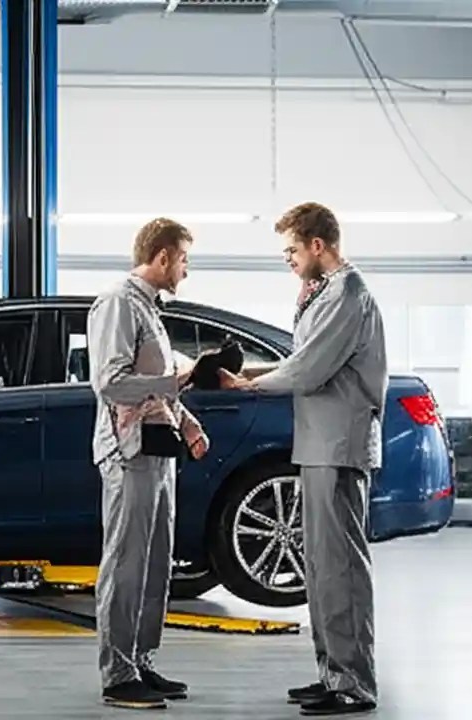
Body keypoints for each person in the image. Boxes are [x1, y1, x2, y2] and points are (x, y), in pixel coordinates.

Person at [218, 202, 385, 717]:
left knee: (341, 568)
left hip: (339, 445)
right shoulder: (325, 293)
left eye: (292, 249)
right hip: (319, 444)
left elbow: (309, 370)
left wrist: (248, 385)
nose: (287, 258)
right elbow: (301, 361)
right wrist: (250, 373)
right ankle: (332, 674)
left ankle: (354, 684)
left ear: (318, 244)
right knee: (320, 567)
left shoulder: (349, 294)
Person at [87, 217, 211, 710]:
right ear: (162, 257)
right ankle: (117, 675)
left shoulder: (149, 309)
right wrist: (177, 382)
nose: (186, 270)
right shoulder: (117, 303)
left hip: (160, 449)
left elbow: (157, 387)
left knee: (157, 562)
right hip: (128, 451)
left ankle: (140, 661)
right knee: (127, 562)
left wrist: (188, 424)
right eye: (183, 259)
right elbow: (111, 382)